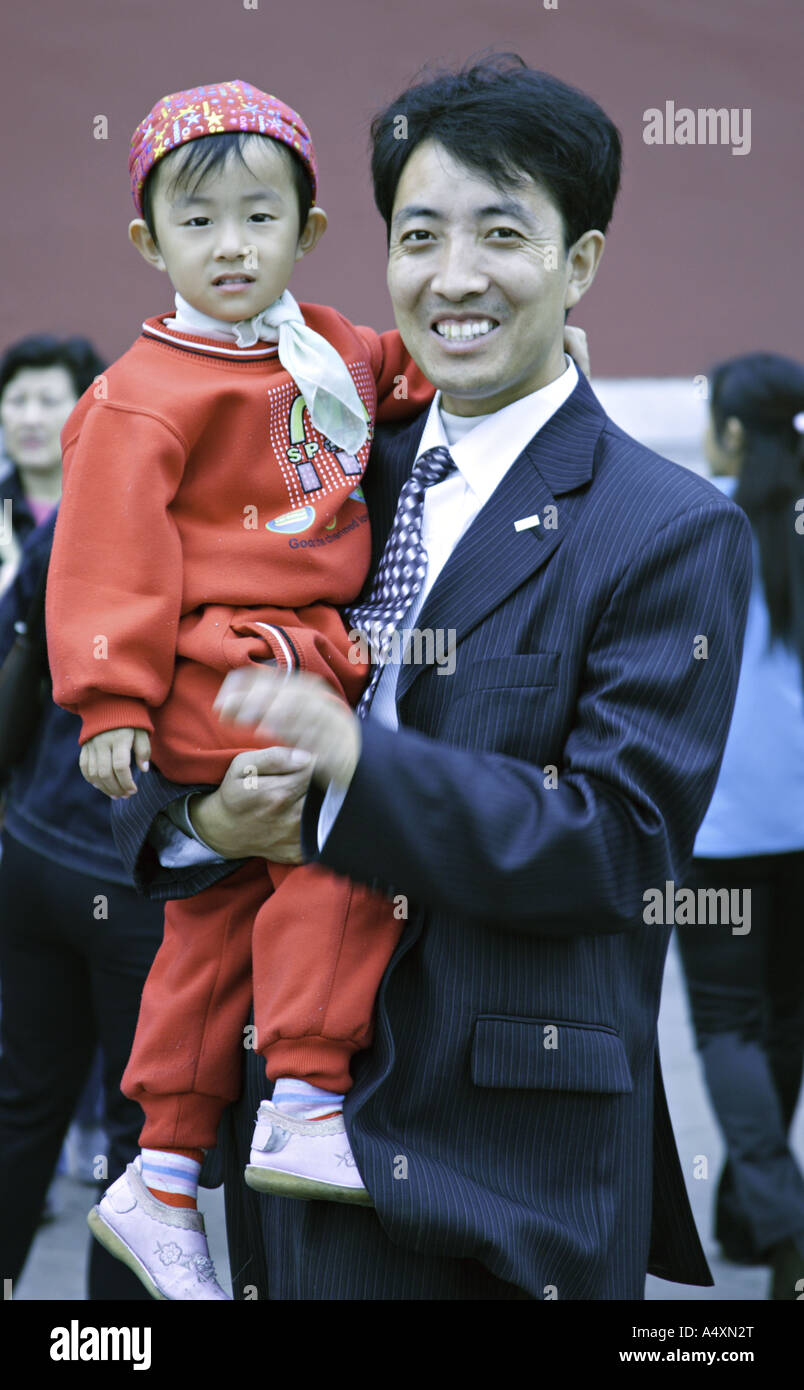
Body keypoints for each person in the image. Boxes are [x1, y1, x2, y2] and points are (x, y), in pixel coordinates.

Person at [112, 54, 754, 1300]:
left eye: (501, 233)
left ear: (580, 265)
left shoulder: (667, 528)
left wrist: (360, 770)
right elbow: (160, 691)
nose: (452, 278)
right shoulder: (323, 465)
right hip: (280, 1152)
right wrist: (200, 821)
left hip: (508, 1173)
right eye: (420, 236)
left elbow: (614, 846)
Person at [45, 78, 437, 1300]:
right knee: (344, 841)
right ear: (148, 241)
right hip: (232, 668)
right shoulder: (141, 395)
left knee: (212, 927)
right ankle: (309, 1092)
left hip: (292, 652)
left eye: (260, 219)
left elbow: (401, 371)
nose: (232, 246)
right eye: (199, 221)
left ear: (307, 236)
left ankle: (160, 1175)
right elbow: (105, 553)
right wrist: (110, 705)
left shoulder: (321, 340)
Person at [0, 336, 171, 1301]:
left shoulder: (60, 528)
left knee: (23, 1100)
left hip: (31, 850)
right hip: (133, 867)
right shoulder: (197, 525)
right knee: (136, 1129)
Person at [674, 352, 804, 1301]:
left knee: (727, 1022)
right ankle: (754, 1218)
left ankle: (784, 1222)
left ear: (728, 431)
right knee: (787, 1019)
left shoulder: (692, 521)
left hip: (718, 826)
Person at [0, 336, 93, 594]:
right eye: (18, 401)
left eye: (49, 401)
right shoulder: (3, 507)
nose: (31, 419)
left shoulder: (105, 508)